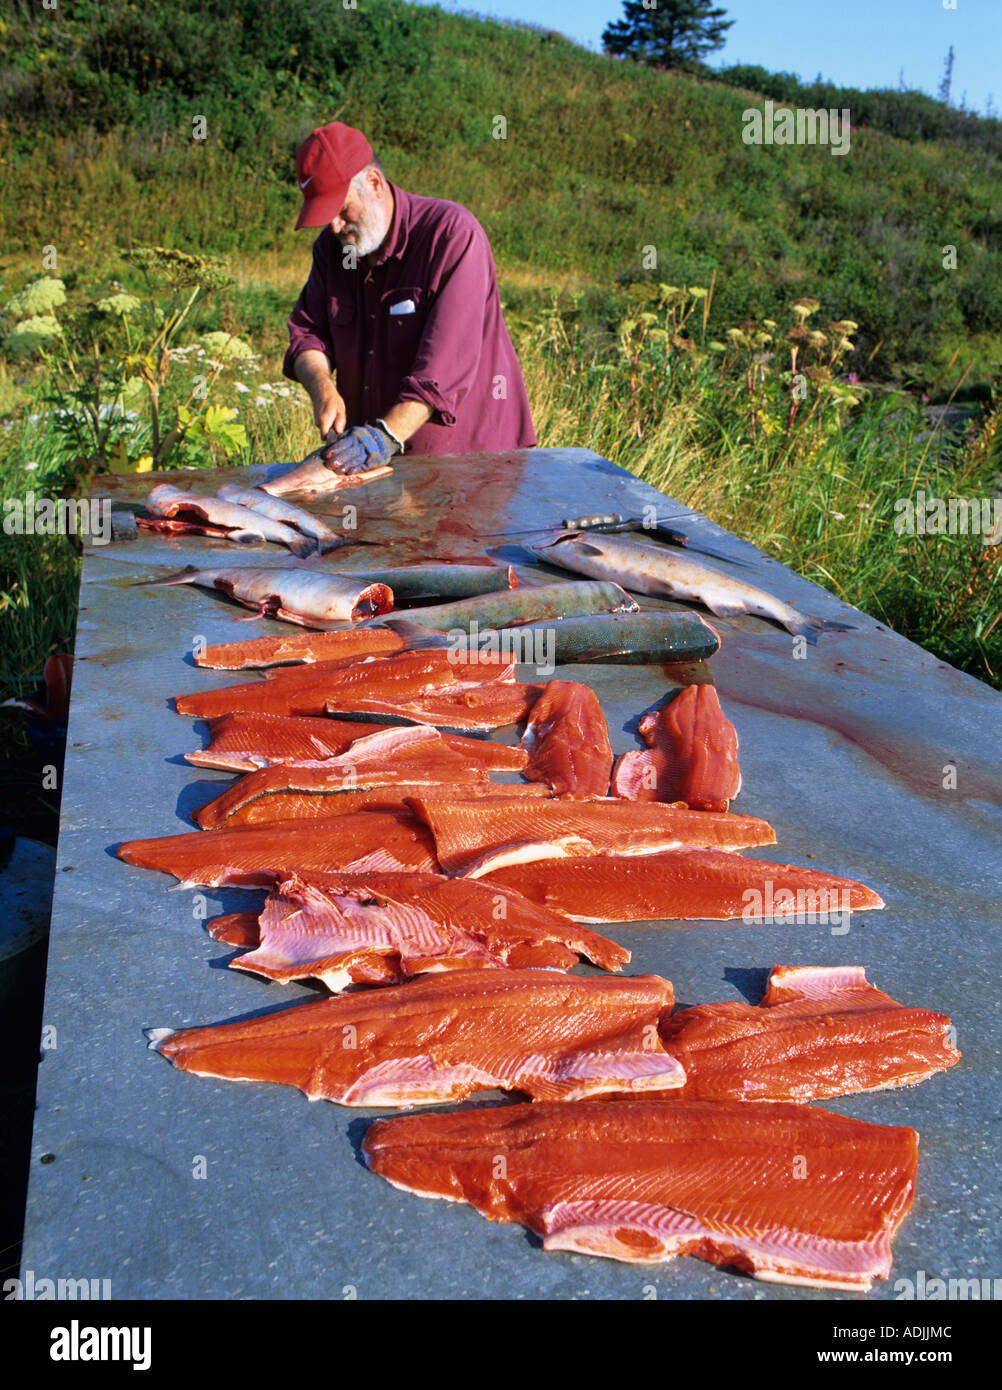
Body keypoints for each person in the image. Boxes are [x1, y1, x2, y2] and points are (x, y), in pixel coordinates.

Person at [283, 121, 536, 472]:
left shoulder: (451, 236)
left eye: (341, 210)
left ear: (373, 183)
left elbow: (443, 369)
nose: (335, 227)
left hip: (471, 462)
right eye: (326, 217)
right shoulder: (332, 250)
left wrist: (386, 436)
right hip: (376, 463)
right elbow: (307, 335)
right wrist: (322, 387)